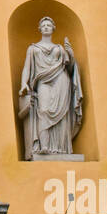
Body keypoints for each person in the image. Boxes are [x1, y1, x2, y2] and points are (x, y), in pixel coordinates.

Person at [18, 17, 83, 158]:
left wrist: (71, 54)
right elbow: (27, 68)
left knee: (62, 116)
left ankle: (61, 148)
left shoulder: (59, 48)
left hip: (61, 80)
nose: (46, 27)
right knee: (44, 111)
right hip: (42, 81)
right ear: (40, 29)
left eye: (49, 25)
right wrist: (24, 83)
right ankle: (45, 146)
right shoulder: (33, 48)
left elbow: (70, 69)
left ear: (53, 28)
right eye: (43, 25)